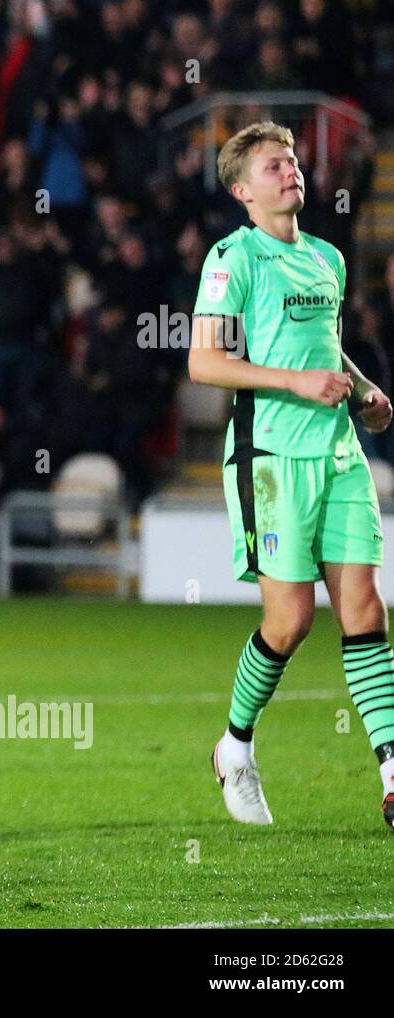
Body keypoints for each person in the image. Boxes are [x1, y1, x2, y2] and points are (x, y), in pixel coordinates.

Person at [188, 123, 394, 827]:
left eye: (294, 162)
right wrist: (295, 384)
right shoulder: (232, 257)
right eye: (274, 166)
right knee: (292, 620)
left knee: (365, 610)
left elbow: (327, 352)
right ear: (244, 191)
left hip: (338, 455)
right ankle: (235, 747)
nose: (291, 173)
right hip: (270, 460)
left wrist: (362, 390)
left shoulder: (328, 259)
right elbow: (204, 363)